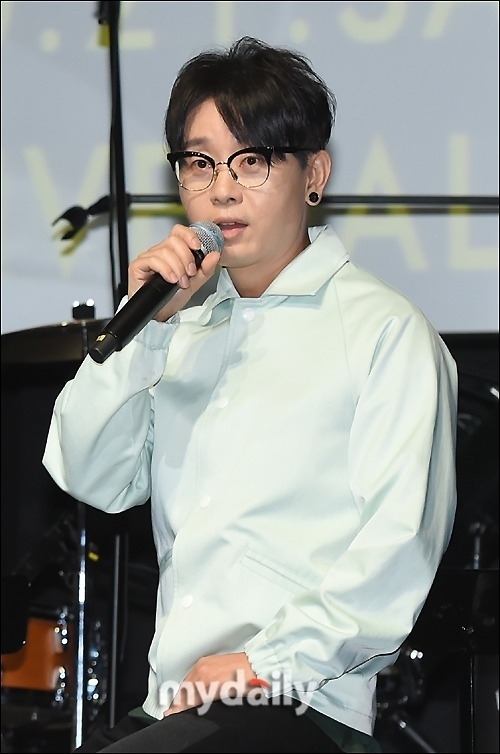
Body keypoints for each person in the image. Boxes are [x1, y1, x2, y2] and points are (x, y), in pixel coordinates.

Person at [42, 36, 458, 754]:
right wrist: (144, 329)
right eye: (199, 162)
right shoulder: (180, 331)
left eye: (252, 160)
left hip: (303, 702)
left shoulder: (383, 331)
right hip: (176, 705)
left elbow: (399, 549)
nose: (222, 190)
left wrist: (264, 664)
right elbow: (88, 474)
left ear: (314, 173)